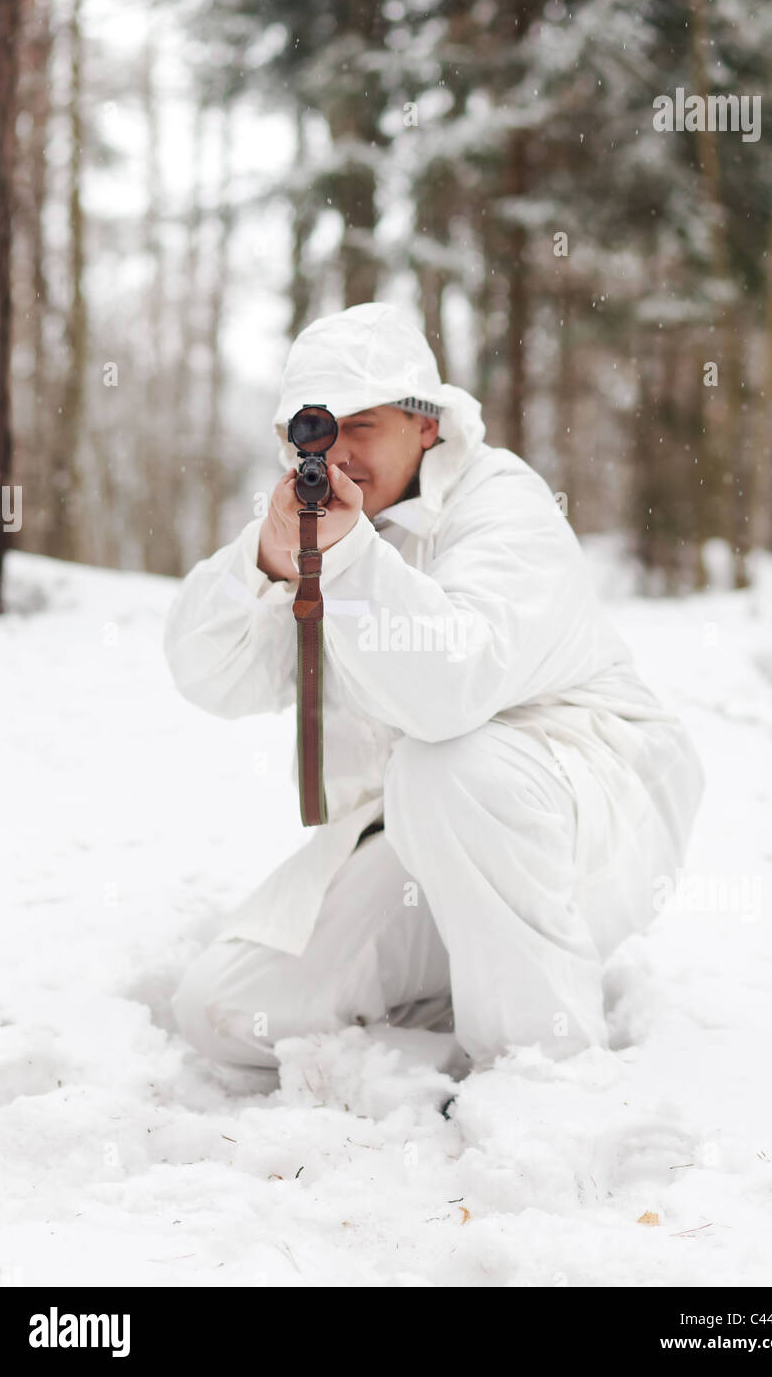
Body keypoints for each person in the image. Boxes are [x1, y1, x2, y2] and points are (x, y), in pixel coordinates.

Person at [163, 301, 704, 1079]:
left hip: (592, 823)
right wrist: (268, 562)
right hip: (432, 842)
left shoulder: (502, 502)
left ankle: (541, 1075)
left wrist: (345, 558)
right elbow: (208, 678)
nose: (338, 456)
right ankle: (434, 1055)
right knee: (225, 1006)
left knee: (447, 767)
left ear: (427, 425)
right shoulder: (324, 529)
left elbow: (448, 691)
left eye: (362, 427)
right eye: (316, 432)